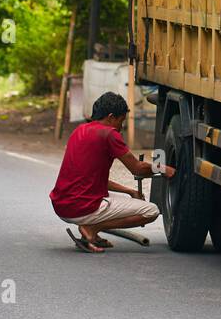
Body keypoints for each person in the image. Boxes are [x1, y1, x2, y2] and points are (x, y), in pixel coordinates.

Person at [50, 91, 175, 252]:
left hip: (62, 205)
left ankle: (90, 229)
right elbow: (137, 168)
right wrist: (163, 169)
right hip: (80, 208)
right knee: (151, 211)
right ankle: (92, 229)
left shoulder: (79, 130)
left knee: (118, 201)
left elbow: (91, 178)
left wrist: (129, 191)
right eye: (120, 121)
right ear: (110, 117)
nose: (121, 127)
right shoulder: (109, 134)